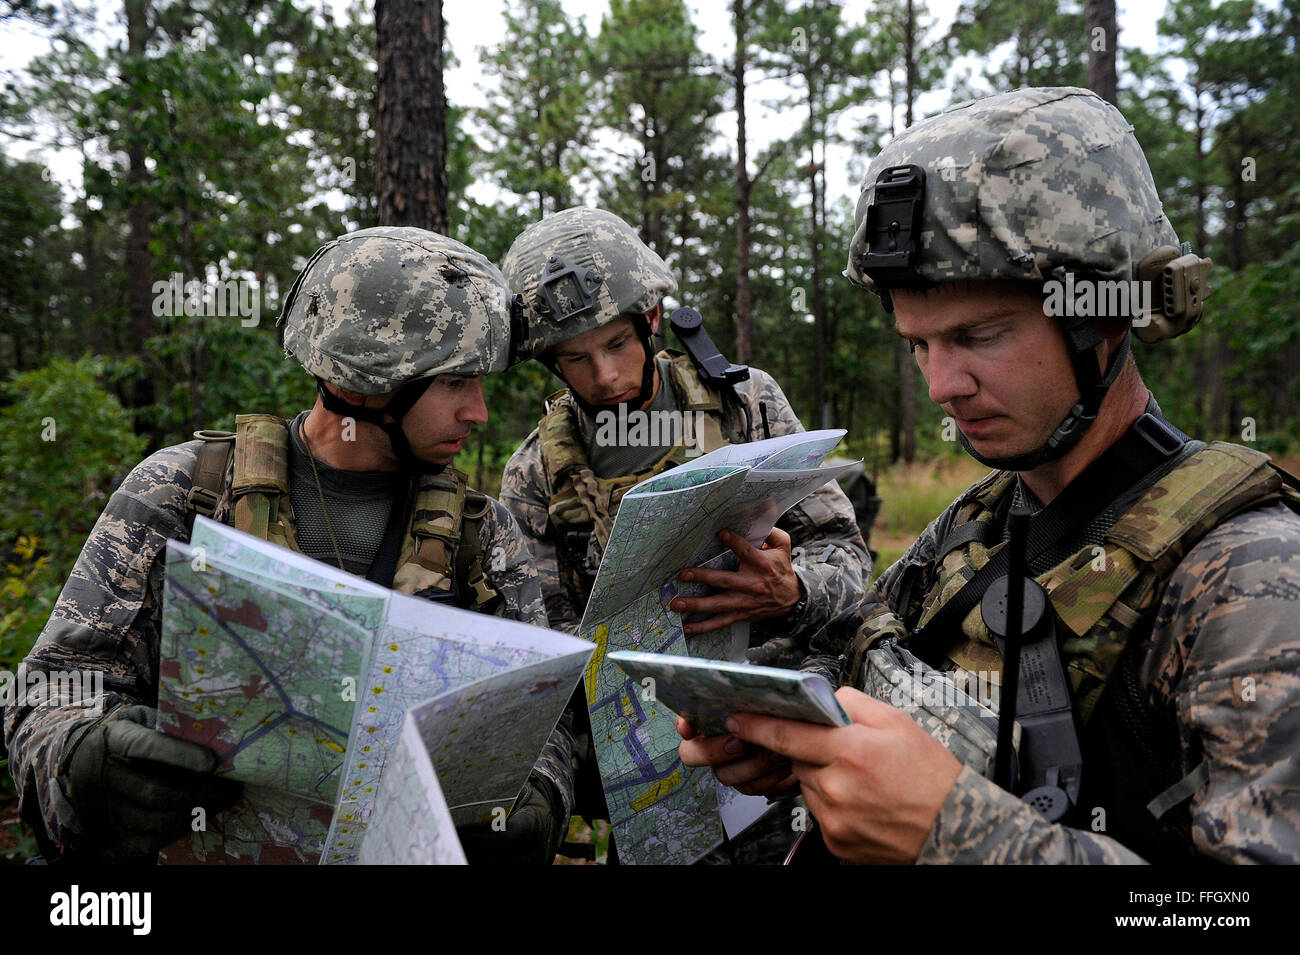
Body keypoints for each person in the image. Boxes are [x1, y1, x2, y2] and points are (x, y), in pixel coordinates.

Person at [680, 86, 1300, 864]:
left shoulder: (1251, 579)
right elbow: (864, 667)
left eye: (979, 334)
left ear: (1106, 315)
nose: (942, 385)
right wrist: (803, 745)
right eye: (919, 344)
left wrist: (959, 836)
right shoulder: (975, 527)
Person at [4, 227, 572, 865]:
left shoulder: (482, 535)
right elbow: (53, 687)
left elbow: (536, 723)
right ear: (363, 380)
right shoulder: (184, 493)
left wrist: (537, 804)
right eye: (454, 383)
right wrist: (87, 761)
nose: (479, 412)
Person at [498, 206, 870, 862]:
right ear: (552, 365)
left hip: (778, 751)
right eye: (577, 359)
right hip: (644, 770)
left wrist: (793, 589)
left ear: (651, 321)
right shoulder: (536, 472)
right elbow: (542, 656)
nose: (605, 377)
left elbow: (847, 557)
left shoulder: (746, 404)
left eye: (616, 345)